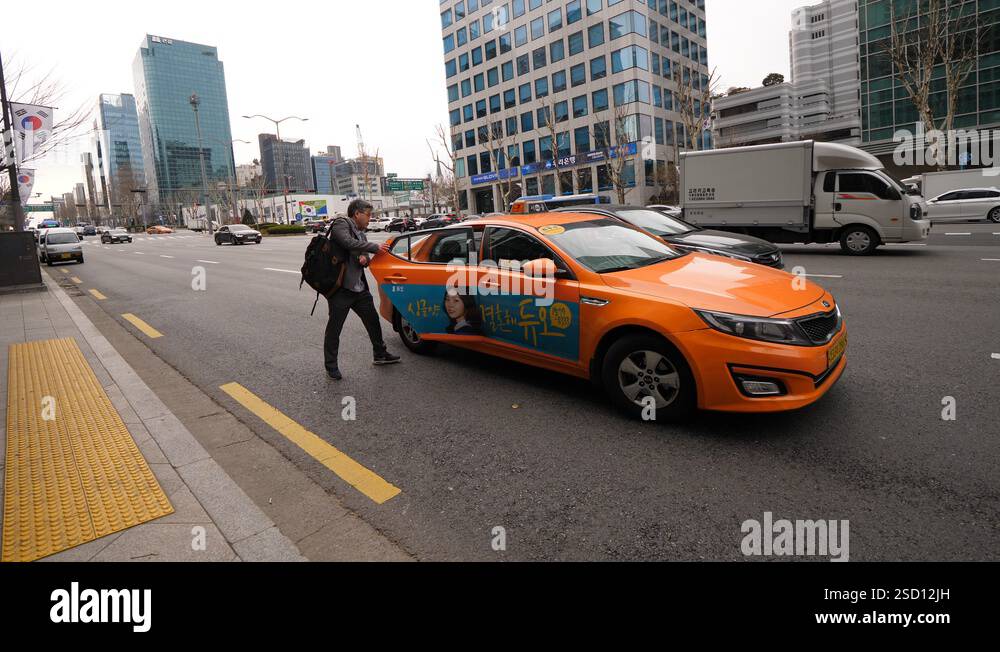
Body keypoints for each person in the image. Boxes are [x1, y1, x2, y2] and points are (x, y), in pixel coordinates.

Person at [324, 200, 400, 380]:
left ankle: (380, 354)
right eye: (368, 214)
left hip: (359, 288)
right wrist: (375, 248)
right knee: (335, 329)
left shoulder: (361, 233)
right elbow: (347, 242)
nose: (370, 219)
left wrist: (365, 258)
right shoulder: (341, 224)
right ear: (357, 213)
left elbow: (362, 253)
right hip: (341, 289)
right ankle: (331, 366)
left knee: (373, 321)